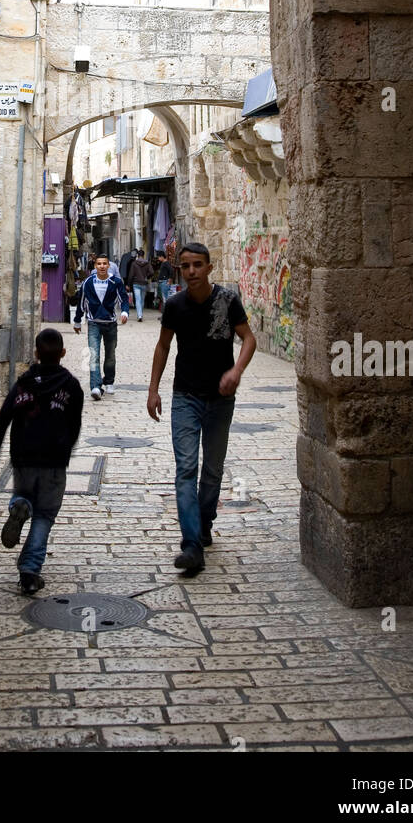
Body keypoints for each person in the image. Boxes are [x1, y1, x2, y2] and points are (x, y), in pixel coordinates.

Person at [147, 242, 256, 575]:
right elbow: (164, 346)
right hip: (185, 397)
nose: (191, 271)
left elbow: (249, 339)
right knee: (186, 468)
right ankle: (191, 543)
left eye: (198, 265)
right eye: (185, 266)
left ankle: (204, 520)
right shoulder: (175, 305)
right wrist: (153, 390)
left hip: (221, 401)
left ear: (210, 267)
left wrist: (236, 371)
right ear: (179, 270)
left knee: (212, 470)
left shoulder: (227, 301)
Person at [0, 328, 83, 594]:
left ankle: (19, 504)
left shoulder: (23, 383)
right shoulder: (71, 386)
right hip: (54, 461)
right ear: (63, 353)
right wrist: (66, 448)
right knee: (45, 515)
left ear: (36, 353)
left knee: (25, 495)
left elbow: (2, 420)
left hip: (24, 459)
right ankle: (29, 570)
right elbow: (75, 424)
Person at [74, 253, 129, 399]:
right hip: (93, 323)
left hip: (110, 323)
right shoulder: (88, 283)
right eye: (99, 264)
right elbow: (81, 302)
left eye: (104, 263)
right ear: (95, 266)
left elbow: (123, 298)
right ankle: (96, 387)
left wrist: (125, 312)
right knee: (93, 355)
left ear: (108, 266)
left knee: (110, 355)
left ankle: (109, 381)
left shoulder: (115, 282)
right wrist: (77, 320)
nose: (102, 266)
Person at [126, 247, 153, 321]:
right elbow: (151, 272)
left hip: (136, 283)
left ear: (137, 255)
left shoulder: (134, 263)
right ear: (143, 255)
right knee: (142, 299)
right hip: (144, 283)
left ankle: (139, 315)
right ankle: (140, 314)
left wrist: (128, 284)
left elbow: (131, 275)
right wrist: (147, 277)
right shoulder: (147, 263)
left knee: (138, 299)